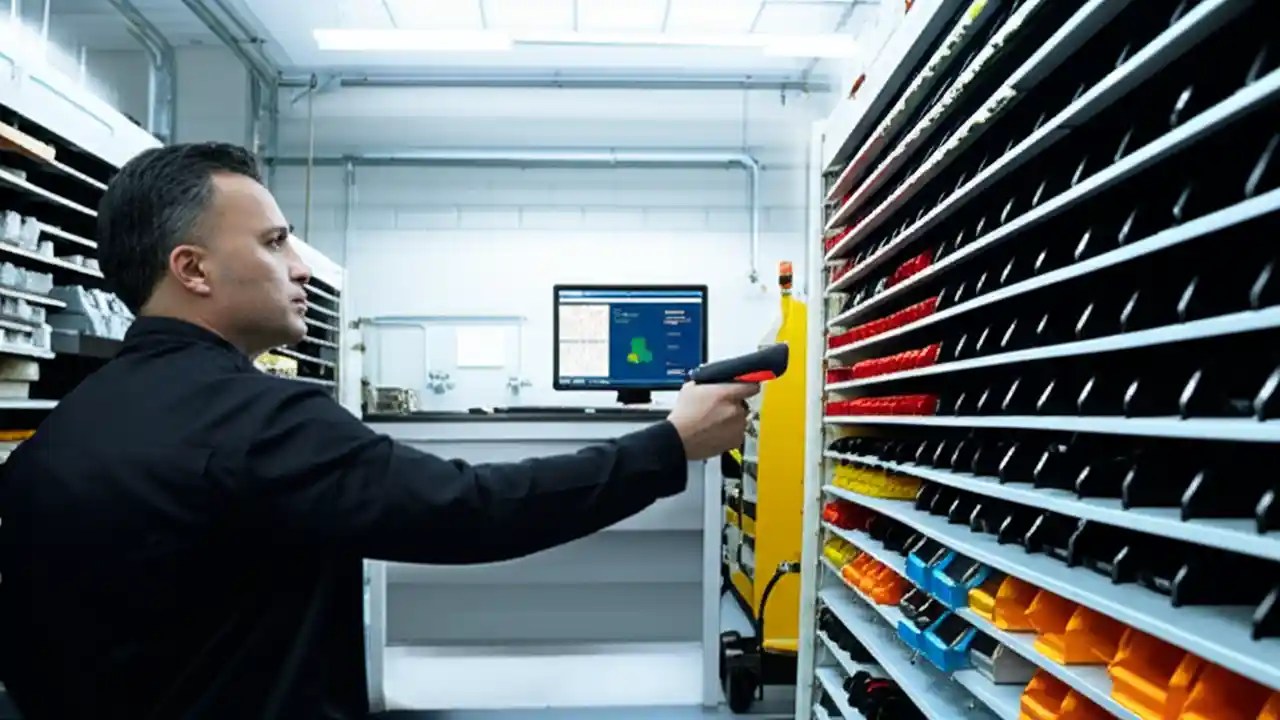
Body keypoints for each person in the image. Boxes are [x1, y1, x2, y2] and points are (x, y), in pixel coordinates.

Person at [0, 142, 758, 719]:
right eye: (273, 243)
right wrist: (670, 444)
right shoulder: (259, 420)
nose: (300, 267)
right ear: (192, 269)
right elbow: (472, 510)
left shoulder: (63, 435)